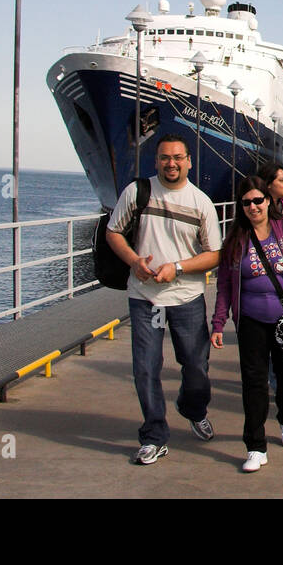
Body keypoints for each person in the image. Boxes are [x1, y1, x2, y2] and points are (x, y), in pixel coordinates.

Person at [106, 133, 221, 466]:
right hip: (145, 298)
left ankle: (193, 408)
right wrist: (133, 261)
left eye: (177, 158)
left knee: (196, 367)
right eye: (164, 158)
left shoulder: (201, 203)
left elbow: (214, 254)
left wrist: (179, 267)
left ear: (188, 161)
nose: (171, 163)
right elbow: (114, 232)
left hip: (186, 297)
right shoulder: (137, 192)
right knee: (146, 367)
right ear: (156, 161)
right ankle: (154, 435)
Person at [211, 176, 283, 472]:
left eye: (258, 200)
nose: (253, 207)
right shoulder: (235, 237)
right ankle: (255, 445)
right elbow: (224, 283)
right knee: (253, 382)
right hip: (250, 319)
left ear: (267, 200)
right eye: (246, 202)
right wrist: (218, 322)